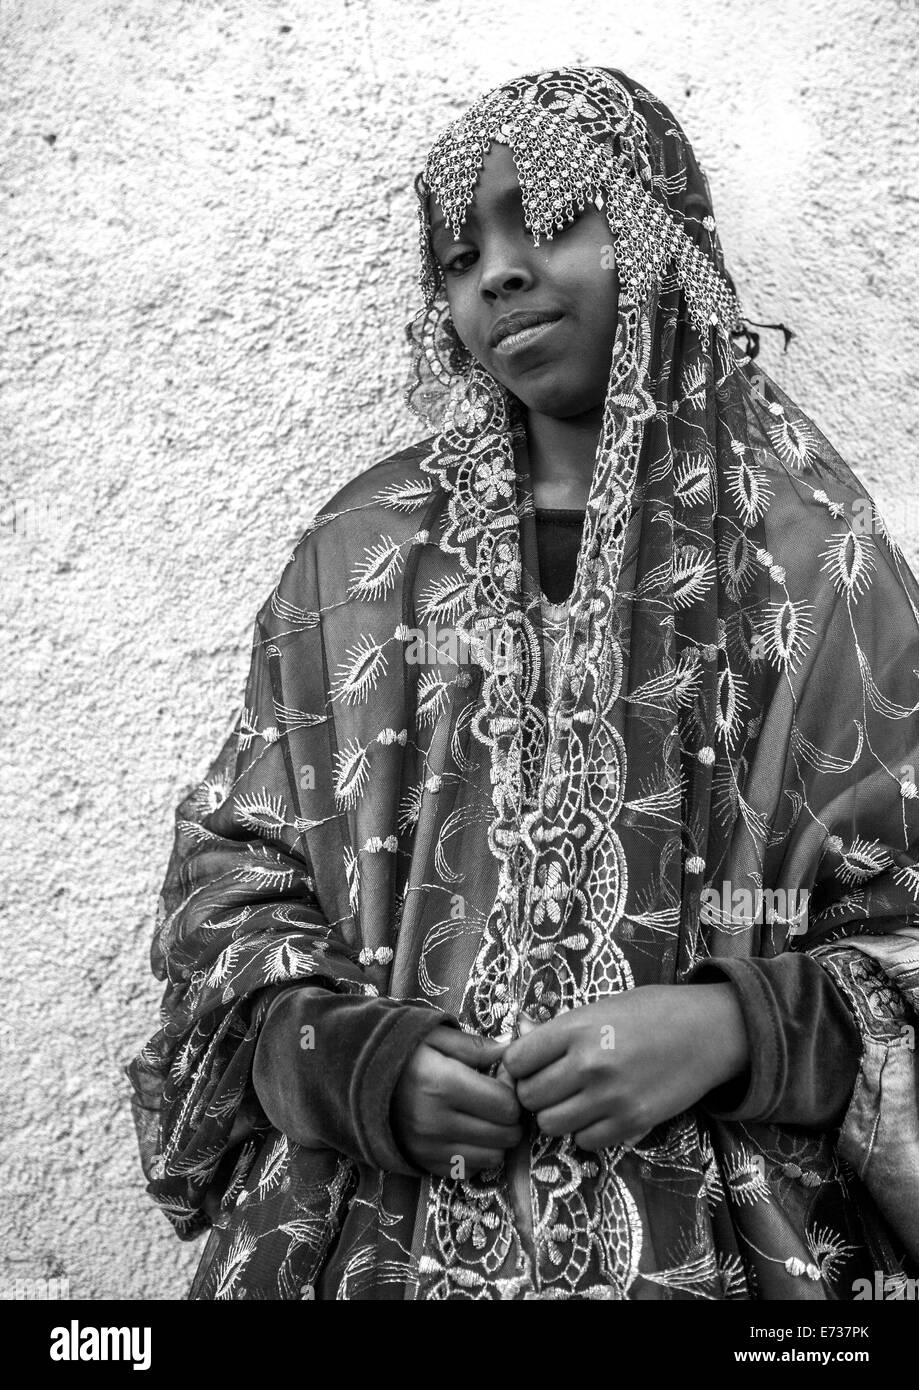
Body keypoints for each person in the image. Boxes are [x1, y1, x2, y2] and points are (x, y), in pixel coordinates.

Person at [127, 66, 919, 1300]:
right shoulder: (363, 558)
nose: (495, 273)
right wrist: (347, 1059)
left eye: (547, 218)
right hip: (376, 1233)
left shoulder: (808, 565)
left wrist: (734, 1029)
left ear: (661, 237)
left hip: (722, 1245)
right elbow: (236, 879)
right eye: (456, 253)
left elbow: (902, 907)